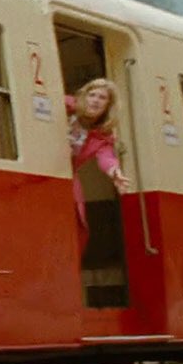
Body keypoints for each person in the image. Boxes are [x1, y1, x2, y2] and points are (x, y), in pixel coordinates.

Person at [66, 78, 132, 256]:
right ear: (84, 96)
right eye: (92, 94)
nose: (95, 100)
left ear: (108, 105)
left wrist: (115, 172)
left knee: (79, 227)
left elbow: (106, 157)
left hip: (67, 177)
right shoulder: (65, 106)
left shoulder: (103, 134)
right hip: (44, 169)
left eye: (102, 98)